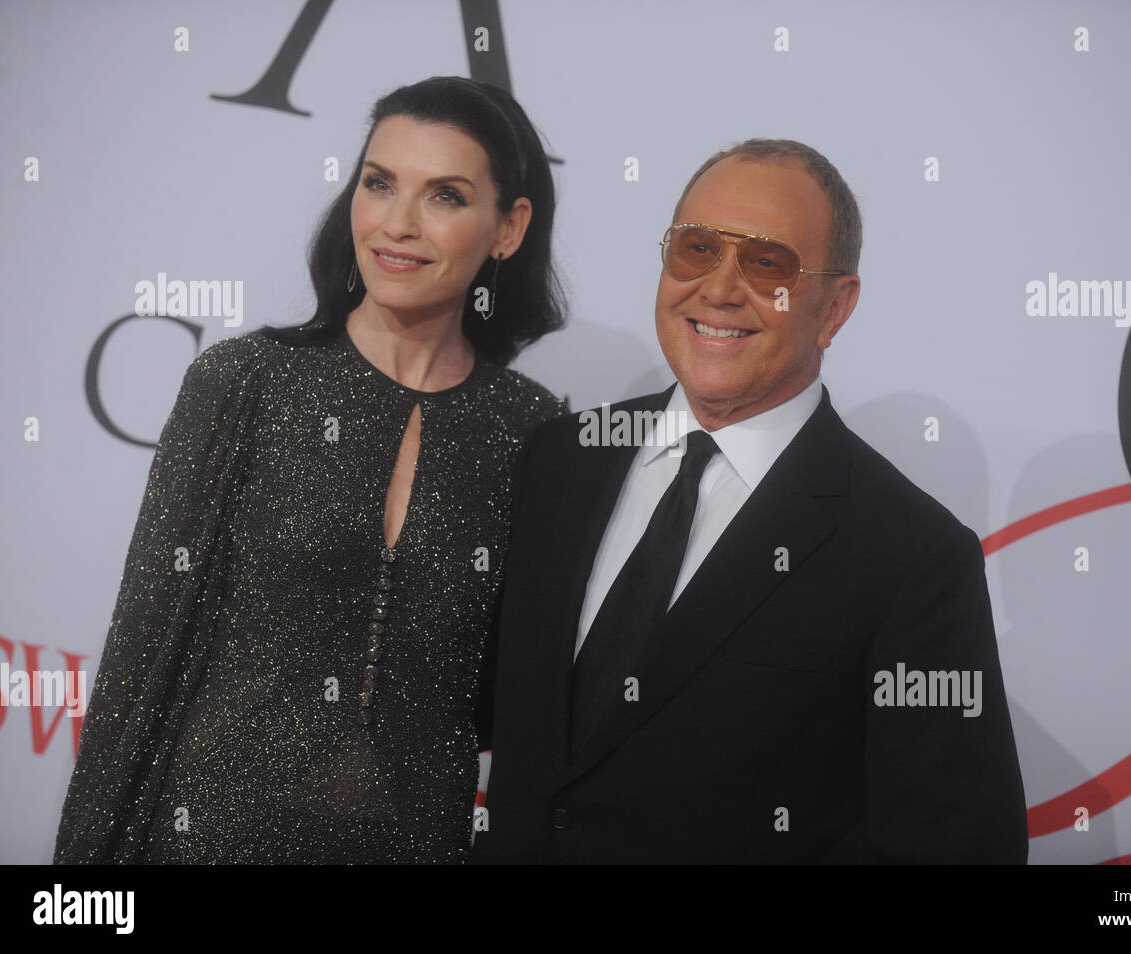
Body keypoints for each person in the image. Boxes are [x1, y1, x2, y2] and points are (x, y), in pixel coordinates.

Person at [53, 76, 568, 863]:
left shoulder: (531, 430)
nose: (396, 224)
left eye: (446, 196)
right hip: (210, 841)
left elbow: (515, 694)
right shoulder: (245, 382)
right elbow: (142, 660)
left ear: (509, 228)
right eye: (379, 183)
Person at [473, 139, 1028, 863]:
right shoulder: (556, 461)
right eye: (697, 249)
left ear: (835, 307)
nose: (720, 289)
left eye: (768, 264)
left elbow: (954, 846)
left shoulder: (914, 559)